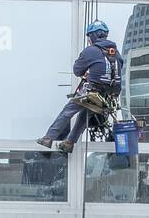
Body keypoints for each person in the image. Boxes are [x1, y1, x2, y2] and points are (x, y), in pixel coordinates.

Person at [37, 20, 124, 154]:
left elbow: (77, 70)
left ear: (93, 36)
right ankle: (69, 143)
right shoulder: (116, 53)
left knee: (68, 111)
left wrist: (89, 74)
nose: (89, 41)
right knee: (85, 115)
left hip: (94, 92)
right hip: (109, 98)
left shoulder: (91, 51)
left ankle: (48, 138)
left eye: (89, 38)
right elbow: (112, 71)